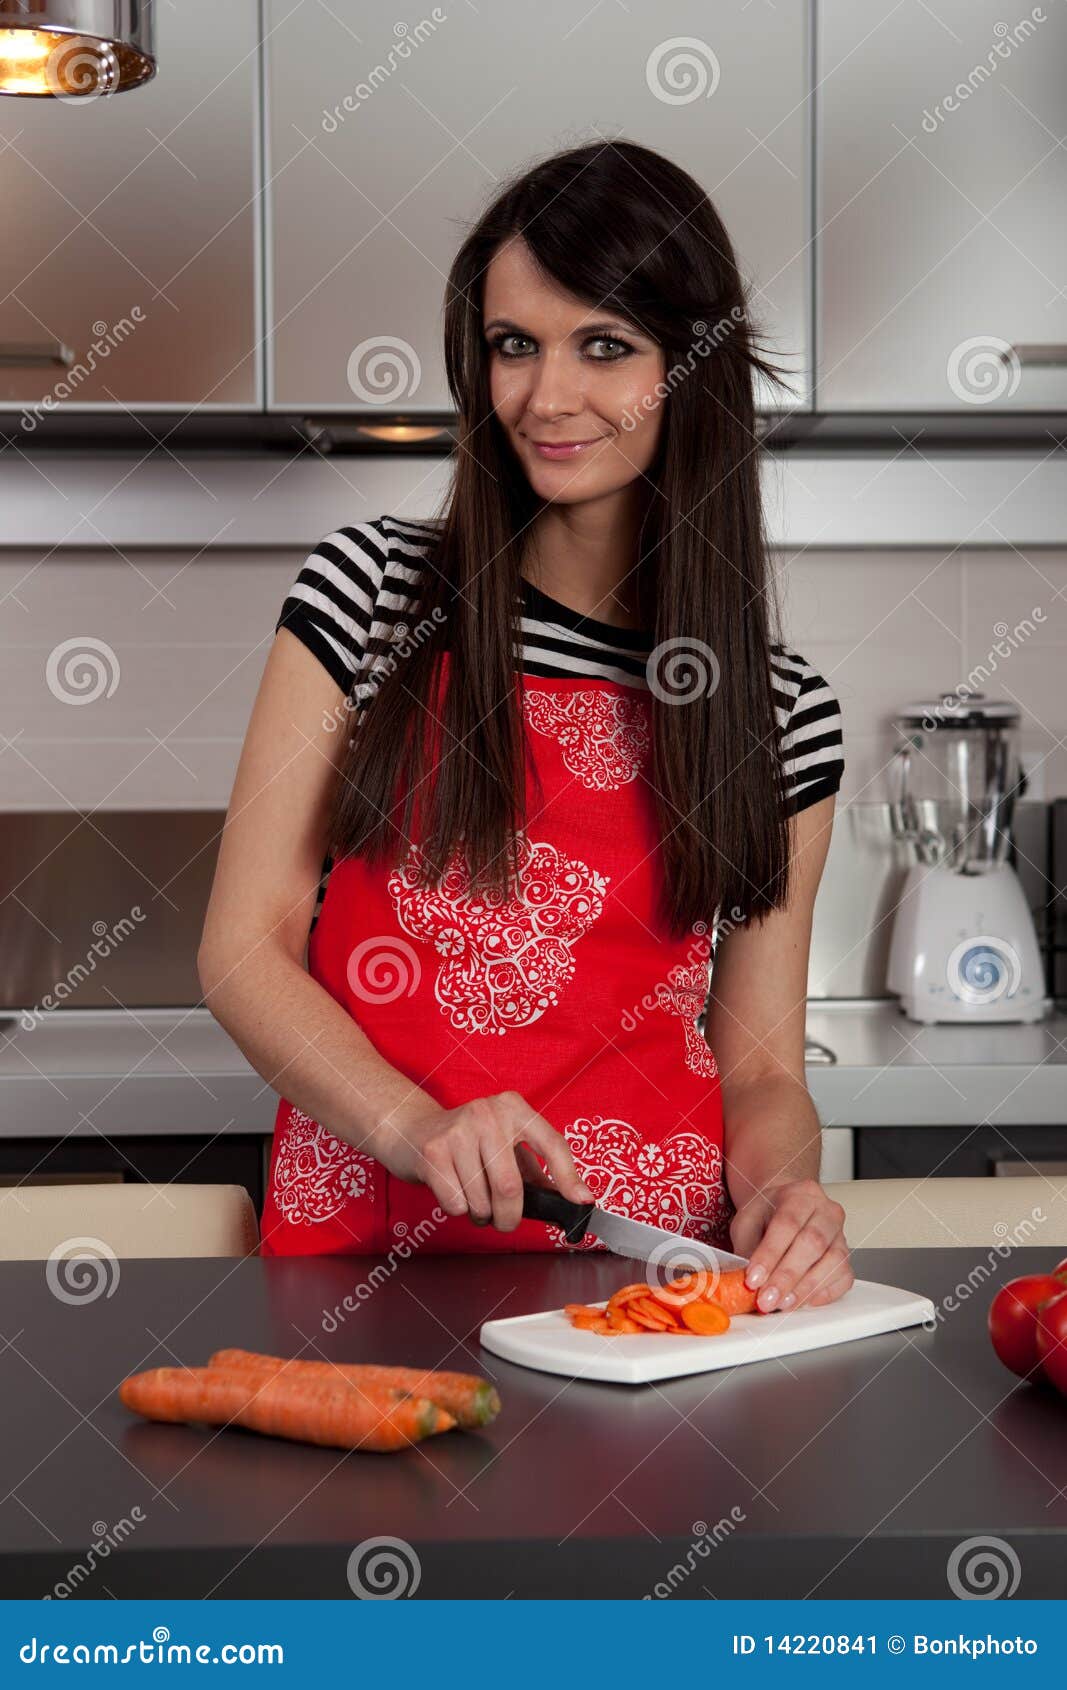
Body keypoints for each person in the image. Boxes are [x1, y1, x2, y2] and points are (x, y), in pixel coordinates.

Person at [199, 141, 852, 1312]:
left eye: (604, 345)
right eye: (514, 345)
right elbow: (242, 950)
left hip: (642, 1285)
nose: (546, 397)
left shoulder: (780, 710)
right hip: (363, 1267)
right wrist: (411, 1124)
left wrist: (783, 1192)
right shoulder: (370, 596)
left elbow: (755, 1065)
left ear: (689, 369)